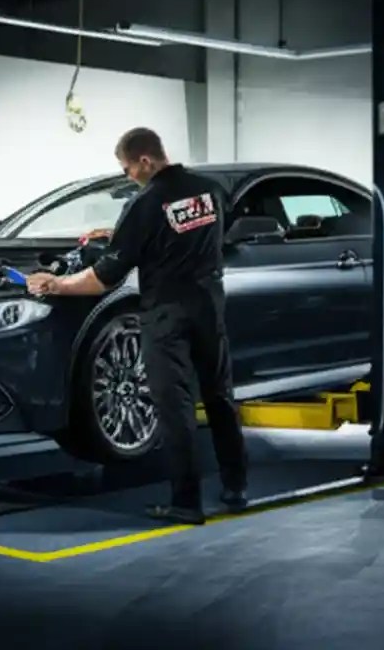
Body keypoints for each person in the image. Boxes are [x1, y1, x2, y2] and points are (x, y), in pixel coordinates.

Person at [25, 127, 248, 525]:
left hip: (166, 316)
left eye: (128, 168)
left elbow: (105, 278)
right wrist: (117, 234)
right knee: (219, 397)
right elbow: (184, 230)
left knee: (175, 406)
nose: (128, 176)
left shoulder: (145, 203)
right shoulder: (209, 190)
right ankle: (236, 488)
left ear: (145, 160)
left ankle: (186, 502)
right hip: (209, 308)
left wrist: (56, 283)